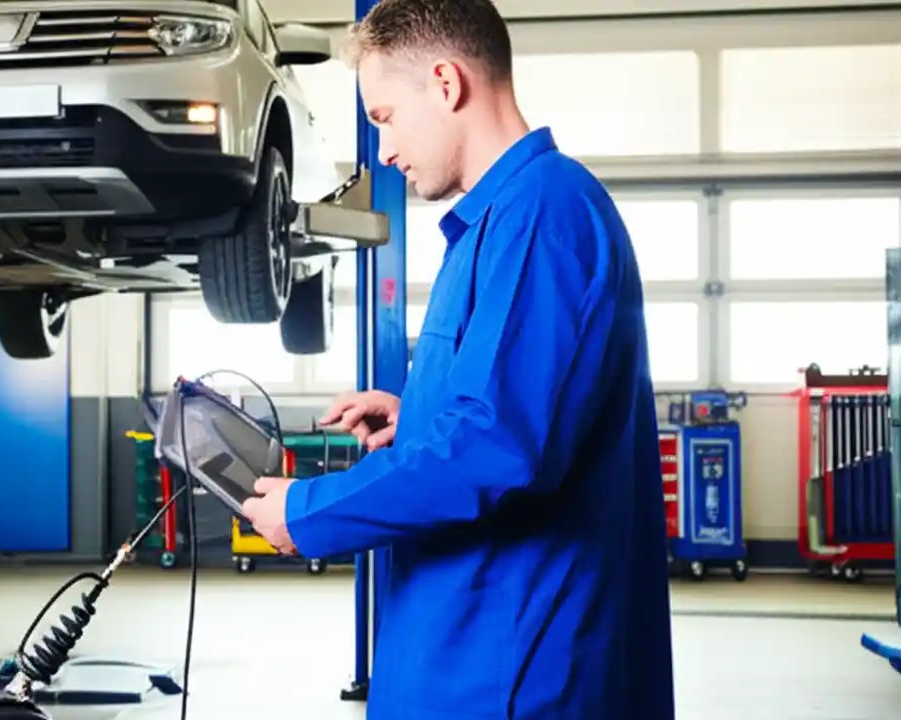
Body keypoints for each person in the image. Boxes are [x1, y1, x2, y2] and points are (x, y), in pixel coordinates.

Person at [238, 1, 676, 718]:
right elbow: (519, 408)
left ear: (445, 83)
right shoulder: (496, 222)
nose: (382, 151)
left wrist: (309, 510)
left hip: (509, 666)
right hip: (464, 643)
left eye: (383, 117)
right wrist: (417, 418)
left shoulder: (542, 214)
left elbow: (494, 448)